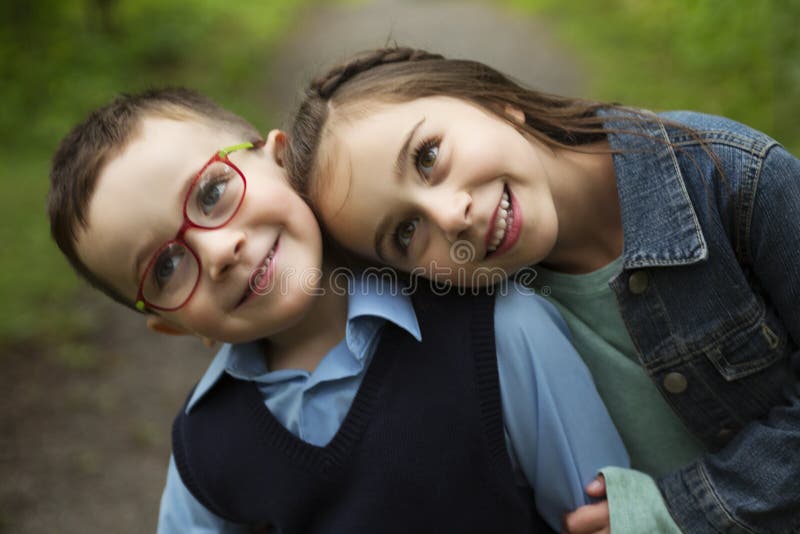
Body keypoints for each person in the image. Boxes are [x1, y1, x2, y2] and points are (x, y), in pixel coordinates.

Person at [47, 88, 628, 533]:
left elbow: (609, 517)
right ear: (172, 325)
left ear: (280, 159)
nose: (218, 252)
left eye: (212, 192)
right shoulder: (206, 453)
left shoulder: (500, 330)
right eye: (166, 267)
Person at [284, 46, 800, 534]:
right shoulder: (489, 330)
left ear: (492, 100)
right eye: (405, 233)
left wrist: (678, 511)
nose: (450, 217)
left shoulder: (733, 179)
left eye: (427, 156)